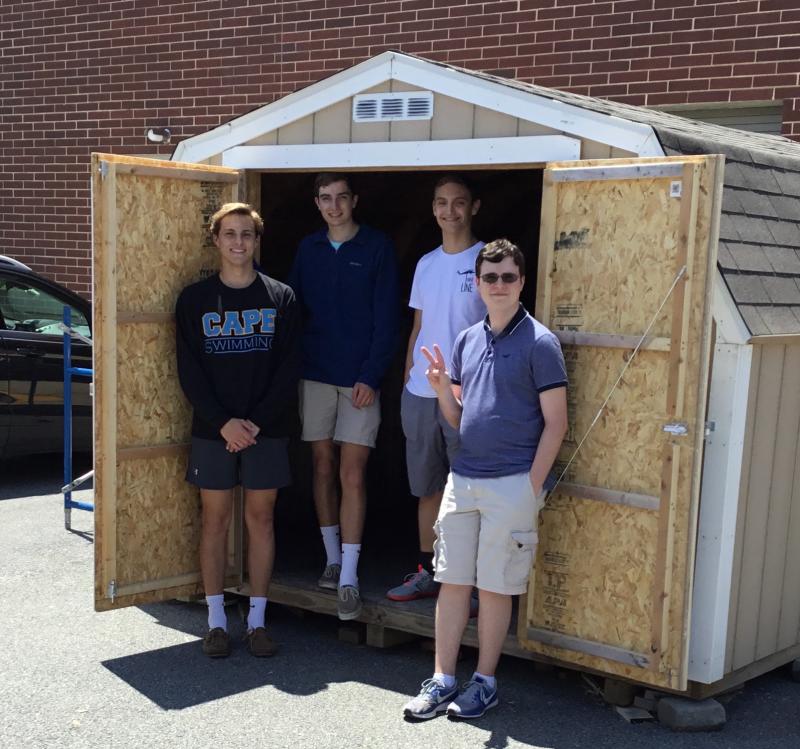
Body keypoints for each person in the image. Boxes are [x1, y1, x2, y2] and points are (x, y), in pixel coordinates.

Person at [402, 239, 568, 720]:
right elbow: (458, 418)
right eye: (490, 277)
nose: (498, 285)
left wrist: (530, 488)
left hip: (511, 484)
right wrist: (440, 390)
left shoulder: (541, 343)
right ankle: (442, 680)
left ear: (522, 282)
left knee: (495, 587)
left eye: (508, 277)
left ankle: (485, 682)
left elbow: (556, 423)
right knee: (452, 581)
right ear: (477, 284)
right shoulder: (467, 340)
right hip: (464, 479)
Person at [175, 202, 300, 658]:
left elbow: (289, 368)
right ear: (216, 240)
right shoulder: (194, 300)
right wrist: (224, 423)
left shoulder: (281, 297)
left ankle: (257, 623)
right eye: (230, 234)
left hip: (266, 428)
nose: (239, 242)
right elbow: (189, 371)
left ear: (257, 240)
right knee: (216, 520)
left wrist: (255, 423)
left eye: (247, 234)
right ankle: (215, 623)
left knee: (261, 519)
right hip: (215, 430)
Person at [288, 173, 398, 621]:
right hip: (314, 375)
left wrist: (371, 375)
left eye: (341, 198)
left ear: (355, 200)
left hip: (359, 382)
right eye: (325, 199)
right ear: (317, 204)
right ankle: (332, 559)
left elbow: (387, 319)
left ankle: (349, 576)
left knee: (352, 473)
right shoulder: (308, 248)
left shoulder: (377, 247)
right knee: (321, 466)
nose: (334, 206)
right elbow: (292, 310)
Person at [387, 174, 486, 602]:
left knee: (469, 489)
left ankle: (471, 582)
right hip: (420, 394)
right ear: (433, 209)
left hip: (467, 395)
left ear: (474, 207)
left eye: (459, 202)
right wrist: (408, 379)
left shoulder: (487, 261)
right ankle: (427, 571)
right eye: (442, 203)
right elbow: (418, 327)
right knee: (427, 488)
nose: (450, 211)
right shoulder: (426, 264)